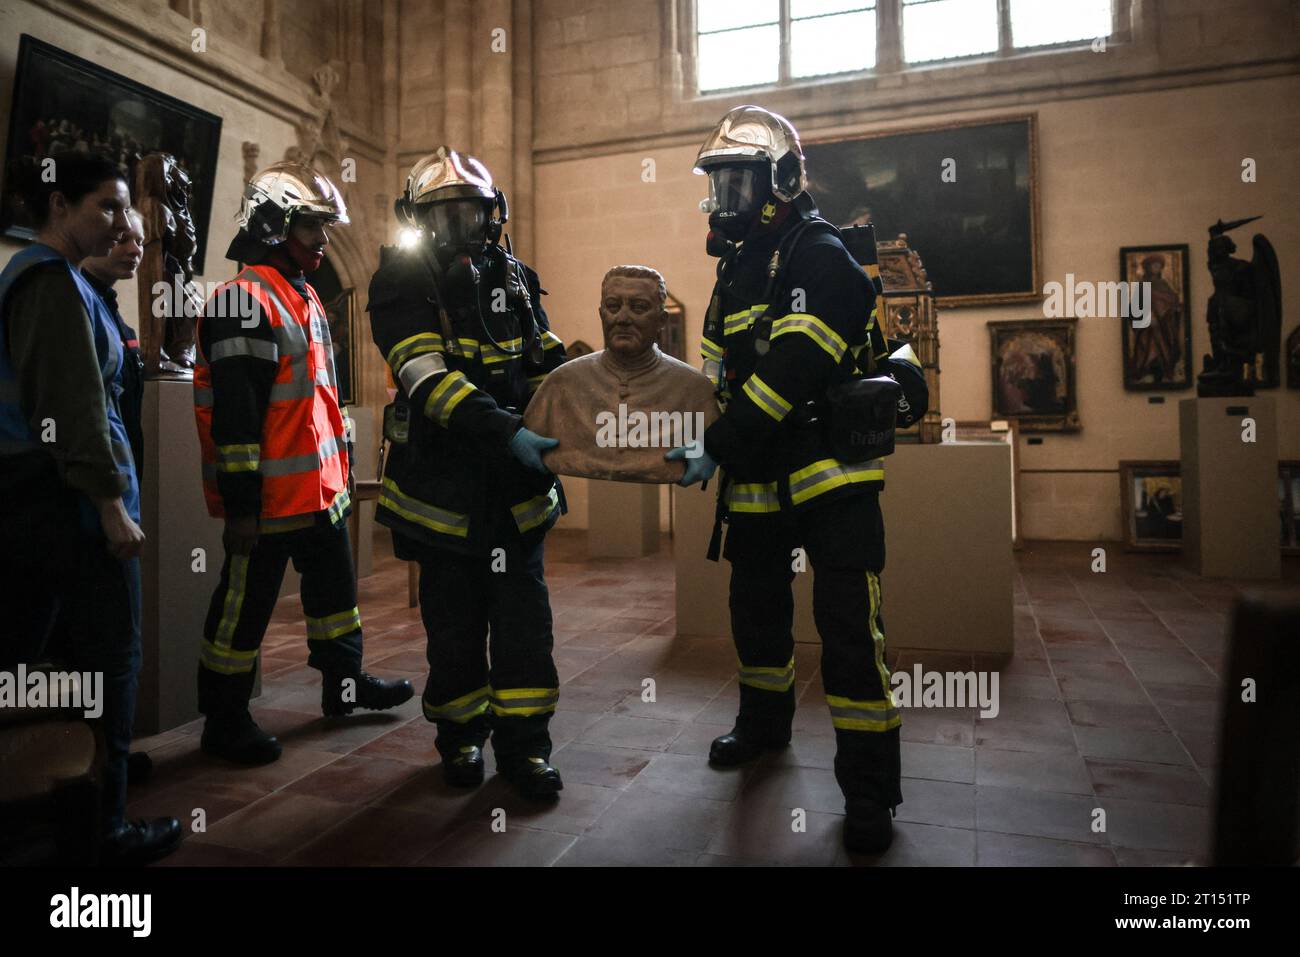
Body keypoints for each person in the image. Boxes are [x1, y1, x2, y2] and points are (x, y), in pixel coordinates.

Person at [668, 106, 928, 854]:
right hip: (756, 483)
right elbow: (720, 376)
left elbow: (789, 374)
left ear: (780, 181)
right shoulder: (737, 270)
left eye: (737, 186)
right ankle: (762, 726)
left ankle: (870, 794)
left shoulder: (820, 256)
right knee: (756, 616)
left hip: (831, 481)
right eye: (718, 188)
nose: (724, 204)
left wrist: (715, 445)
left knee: (850, 635)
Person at [192, 162, 413, 766]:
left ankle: (343, 690)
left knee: (336, 600)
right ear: (271, 226)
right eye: (312, 226)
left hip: (319, 495)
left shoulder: (306, 295)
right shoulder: (241, 301)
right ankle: (225, 718)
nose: (323, 240)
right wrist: (241, 510)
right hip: (265, 503)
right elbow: (236, 425)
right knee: (243, 610)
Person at [367, 146, 568, 799]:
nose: (460, 226)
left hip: (515, 497)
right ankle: (458, 738)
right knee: (453, 631)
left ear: (493, 213)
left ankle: (526, 750)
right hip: (442, 491)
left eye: (470, 212)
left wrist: (588, 383)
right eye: (443, 214)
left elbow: (541, 359)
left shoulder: (515, 274)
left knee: (524, 629)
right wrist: (508, 430)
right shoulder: (399, 279)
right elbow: (427, 381)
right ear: (416, 217)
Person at [0, 151, 181, 864]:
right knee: (110, 656)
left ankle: (88, 783)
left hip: (52, 504)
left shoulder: (65, 280)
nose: (121, 222)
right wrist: (112, 508)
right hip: (65, 509)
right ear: (57, 207)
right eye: (106, 206)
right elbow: (73, 412)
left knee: (72, 657)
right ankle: (104, 828)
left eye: (125, 208)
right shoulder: (47, 282)